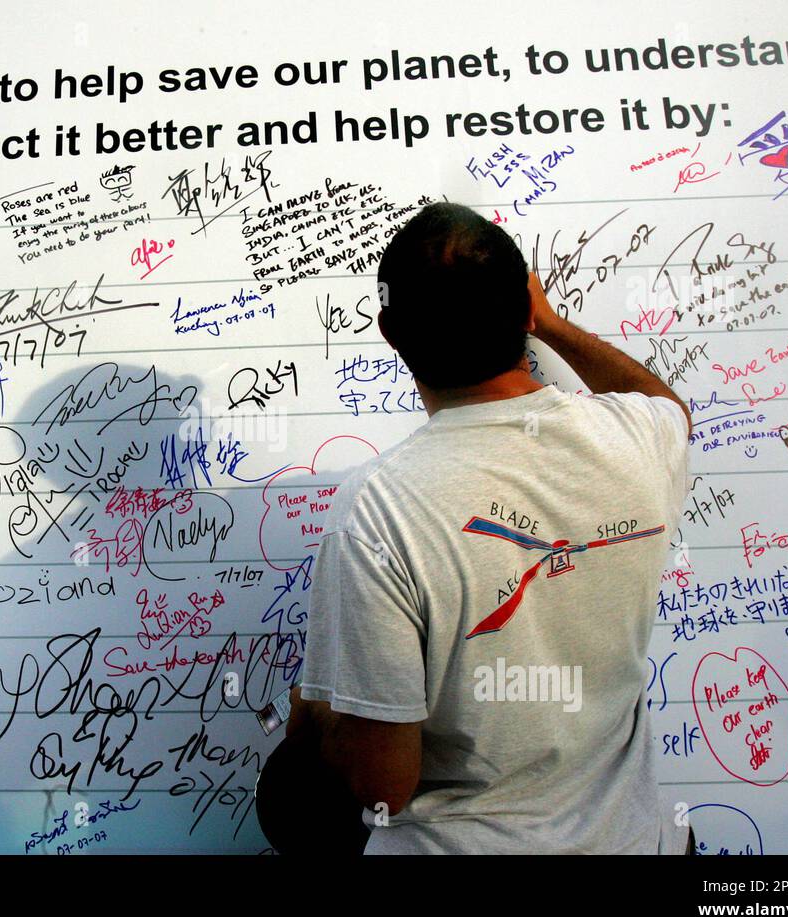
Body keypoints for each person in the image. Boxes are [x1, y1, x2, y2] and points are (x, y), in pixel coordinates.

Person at [286, 201, 693, 854]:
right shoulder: (641, 440)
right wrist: (553, 323)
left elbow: (384, 786)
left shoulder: (379, 507)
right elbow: (668, 407)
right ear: (525, 314)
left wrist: (317, 716)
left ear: (390, 332)